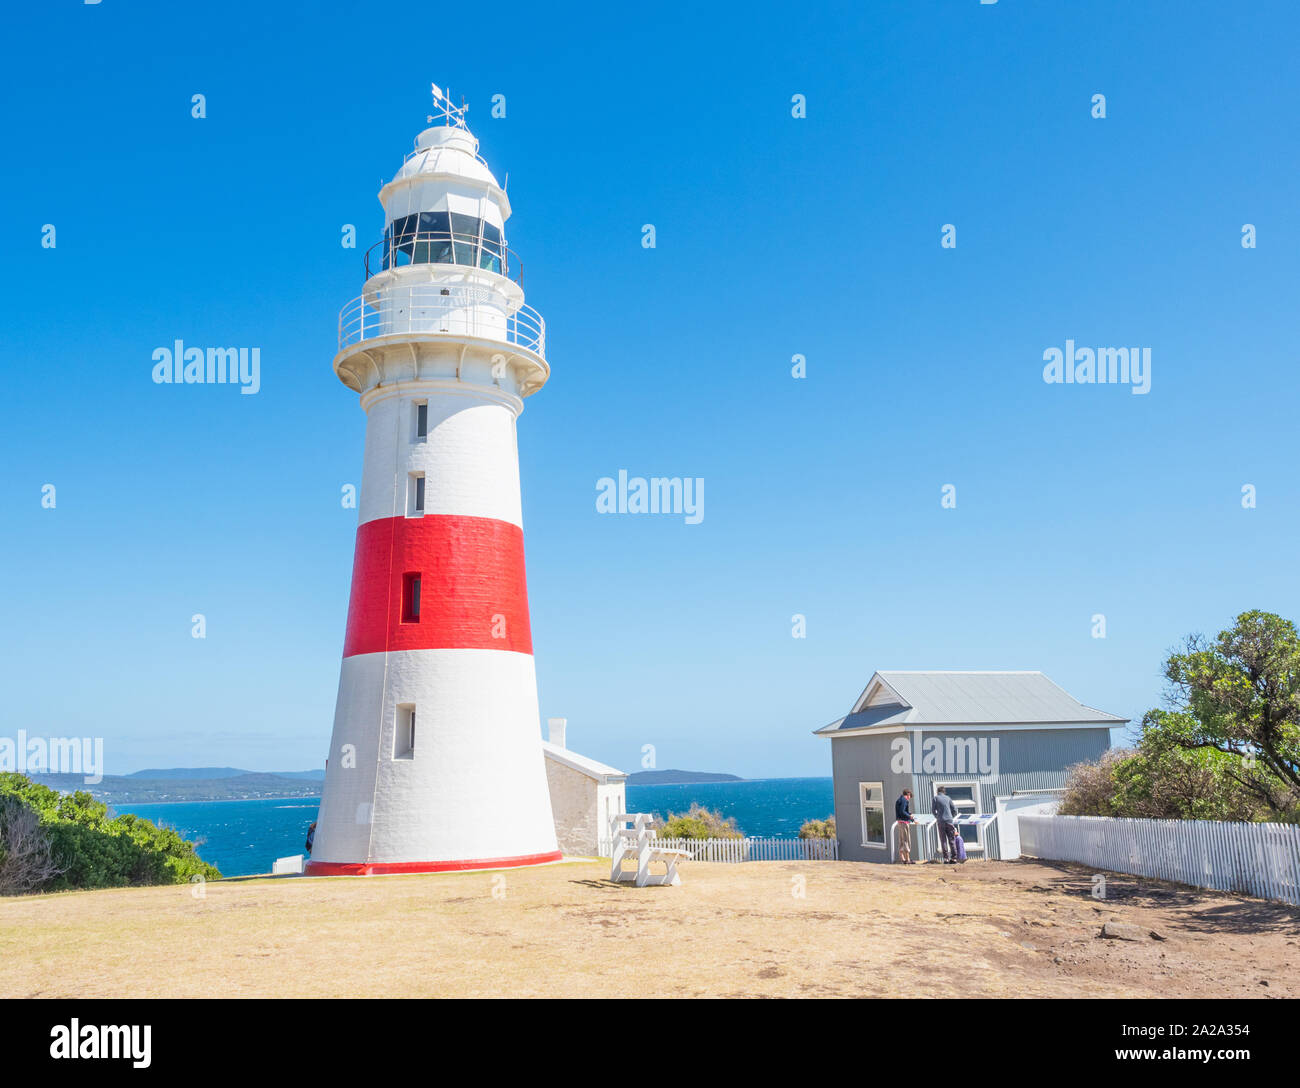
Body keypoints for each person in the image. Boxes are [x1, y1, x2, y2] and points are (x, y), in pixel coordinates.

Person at [932, 787, 959, 864]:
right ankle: (954, 858)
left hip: (941, 821)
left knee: (943, 840)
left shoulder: (935, 798)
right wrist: (951, 817)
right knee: (952, 839)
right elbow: (954, 809)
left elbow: (933, 810)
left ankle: (946, 859)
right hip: (949, 821)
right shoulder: (948, 798)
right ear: (944, 792)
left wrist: (938, 816)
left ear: (938, 792)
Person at [894, 788, 916, 864]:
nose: (909, 798)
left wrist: (909, 814)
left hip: (900, 821)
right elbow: (902, 811)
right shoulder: (904, 800)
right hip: (904, 822)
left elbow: (901, 811)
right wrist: (910, 816)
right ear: (908, 794)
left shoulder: (899, 799)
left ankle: (902, 858)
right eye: (910, 796)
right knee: (906, 839)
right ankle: (907, 859)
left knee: (901, 840)